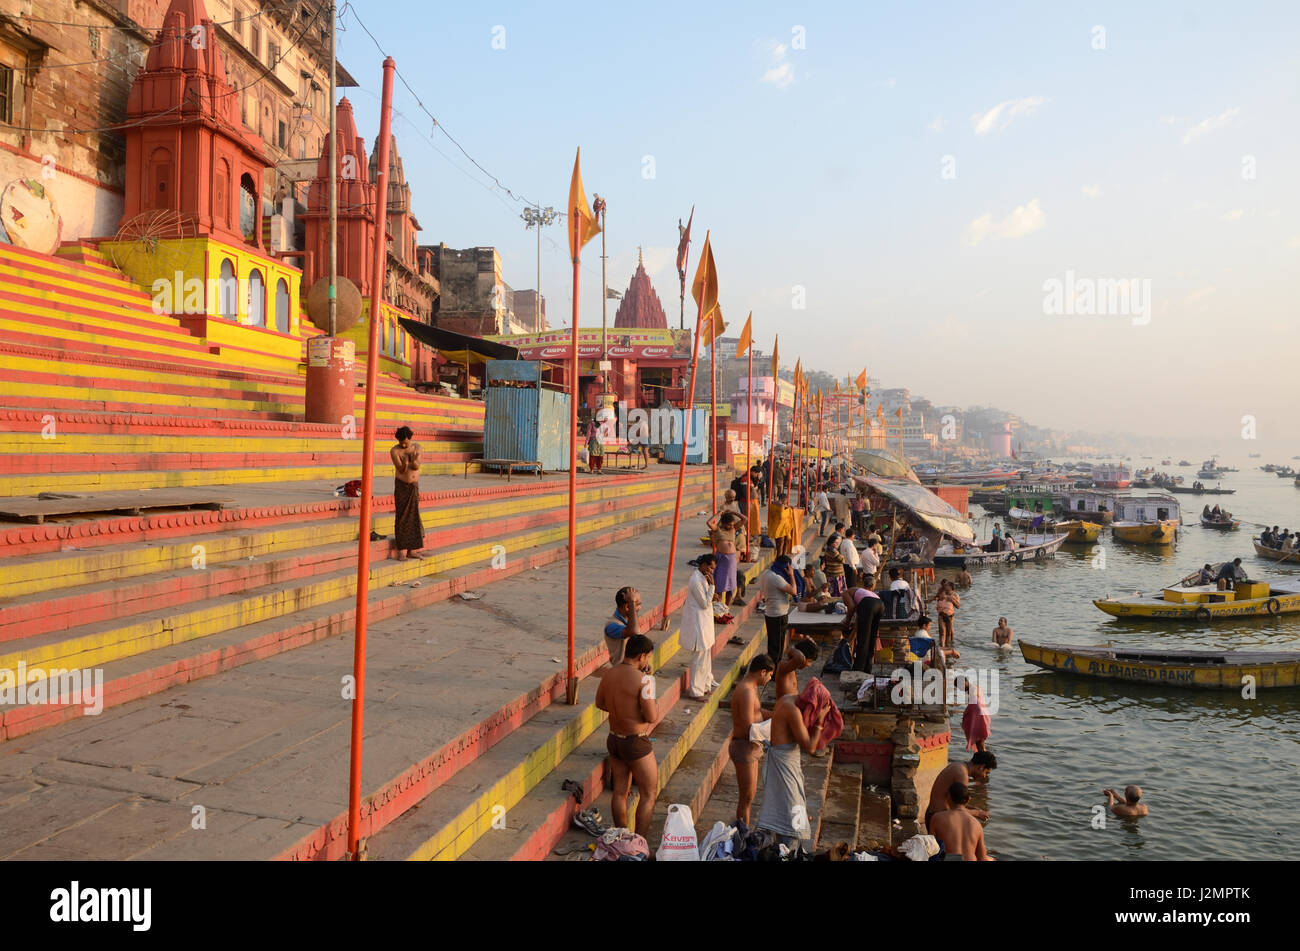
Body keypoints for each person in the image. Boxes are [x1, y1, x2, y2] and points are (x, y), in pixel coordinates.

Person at [594, 633, 659, 837]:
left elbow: (600, 703)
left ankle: (622, 838)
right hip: (636, 742)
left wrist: (622, 710)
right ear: (641, 656)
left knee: (620, 792)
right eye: (647, 657)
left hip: (614, 739)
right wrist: (649, 680)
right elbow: (651, 716)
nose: (647, 661)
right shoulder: (646, 681)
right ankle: (639, 842)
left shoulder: (609, 673)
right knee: (648, 794)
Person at [754, 690, 831, 850]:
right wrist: (820, 720)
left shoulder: (787, 699)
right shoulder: (793, 710)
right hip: (784, 764)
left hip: (784, 763)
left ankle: (778, 848)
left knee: (784, 804)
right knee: (793, 813)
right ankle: (788, 851)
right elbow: (810, 747)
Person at [730, 654, 775, 825]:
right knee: (746, 798)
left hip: (750, 747)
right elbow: (751, 726)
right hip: (743, 747)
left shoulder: (752, 686)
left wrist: (778, 717)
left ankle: (744, 832)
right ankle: (743, 834)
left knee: (750, 795)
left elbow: (759, 712)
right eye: (770, 675)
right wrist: (774, 728)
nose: (770, 679)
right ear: (763, 672)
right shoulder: (747, 691)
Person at [680, 554, 718, 700]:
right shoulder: (696, 579)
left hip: (705, 623)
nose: (711, 571)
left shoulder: (703, 577)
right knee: (699, 660)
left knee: (706, 657)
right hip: (698, 624)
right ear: (702, 564)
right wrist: (713, 587)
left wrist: (712, 592)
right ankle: (695, 692)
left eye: (713, 568)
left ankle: (706, 685)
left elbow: (706, 598)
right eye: (709, 567)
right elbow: (703, 603)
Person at [926, 752, 997, 828]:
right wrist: (977, 813)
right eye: (986, 772)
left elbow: (956, 802)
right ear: (981, 767)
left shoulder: (958, 765)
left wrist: (973, 809)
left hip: (932, 815)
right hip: (940, 819)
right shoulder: (962, 775)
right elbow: (958, 809)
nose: (984, 776)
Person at [928, 783, 994, 861]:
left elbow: (931, 848)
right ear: (968, 800)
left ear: (948, 797)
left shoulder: (937, 818)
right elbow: (982, 858)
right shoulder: (976, 824)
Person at [390, 426, 427, 560]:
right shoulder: (395, 450)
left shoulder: (417, 447)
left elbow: (417, 465)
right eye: (401, 442)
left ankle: (412, 550)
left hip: (413, 487)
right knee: (402, 517)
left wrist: (411, 461)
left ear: (410, 438)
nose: (403, 445)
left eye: (405, 442)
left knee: (414, 518)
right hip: (401, 487)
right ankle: (401, 551)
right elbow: (400, 468)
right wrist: (407, 462)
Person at [760, 555, 798, 661]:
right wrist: (791, 575)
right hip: (778, 615)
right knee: (777, 648)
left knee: (773, 645)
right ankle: (775, 672)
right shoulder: (776, 578)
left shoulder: (766, 574)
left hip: (770, 613)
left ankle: (771, 671)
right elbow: (794, 591)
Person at [707, 511, 745, 608]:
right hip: (721, 559)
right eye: (729, 525)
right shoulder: (717, 529)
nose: (731, 526)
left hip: (731, 559)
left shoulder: (733, 529)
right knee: (719, 583)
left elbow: (745, 519)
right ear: (723, 523)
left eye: (732, 524)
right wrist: (719, 513)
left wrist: (733, 512)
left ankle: (727, 607)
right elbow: (709, 523)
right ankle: (719, 606)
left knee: (730, 585)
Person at [847, 586, 884, 672]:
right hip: (880, 605)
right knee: (872, 637)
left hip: (869, 604)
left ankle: (858, 669)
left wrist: (847, 622)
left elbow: (851, 607)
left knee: (863, 639)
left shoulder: (845, 593)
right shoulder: (862, 592)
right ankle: (868, 667)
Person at [604, 586, 641, 666]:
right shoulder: (612, 625)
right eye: (637, 604)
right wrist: (632, 602)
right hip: (622, 671)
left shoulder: (630, 620)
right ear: (627, 607)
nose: (640, 607)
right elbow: (634, 632)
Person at [957, 675, 991, 752]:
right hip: (982, 715)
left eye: (960, 686)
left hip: (980, 718)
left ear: (965, 682)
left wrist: (965, 714)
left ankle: (983, 760)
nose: (960, 689)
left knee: (980, 743)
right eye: (958, 687)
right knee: (980, 742)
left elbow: (976, 705)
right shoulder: (974, 687)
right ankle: (983, 759)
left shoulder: (973, 689)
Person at [935, 580, 960, 649]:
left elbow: (958, 606)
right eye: (945, 585)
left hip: (950, 616)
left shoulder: (955, 595)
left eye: (947, 585)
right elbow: (936, 598)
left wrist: (952, 600)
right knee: (942, 632)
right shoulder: (941, 592)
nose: (945, 586)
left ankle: (948, 646)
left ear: (951, 587)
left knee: (948, 633)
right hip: (941, 614)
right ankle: (942, 647)